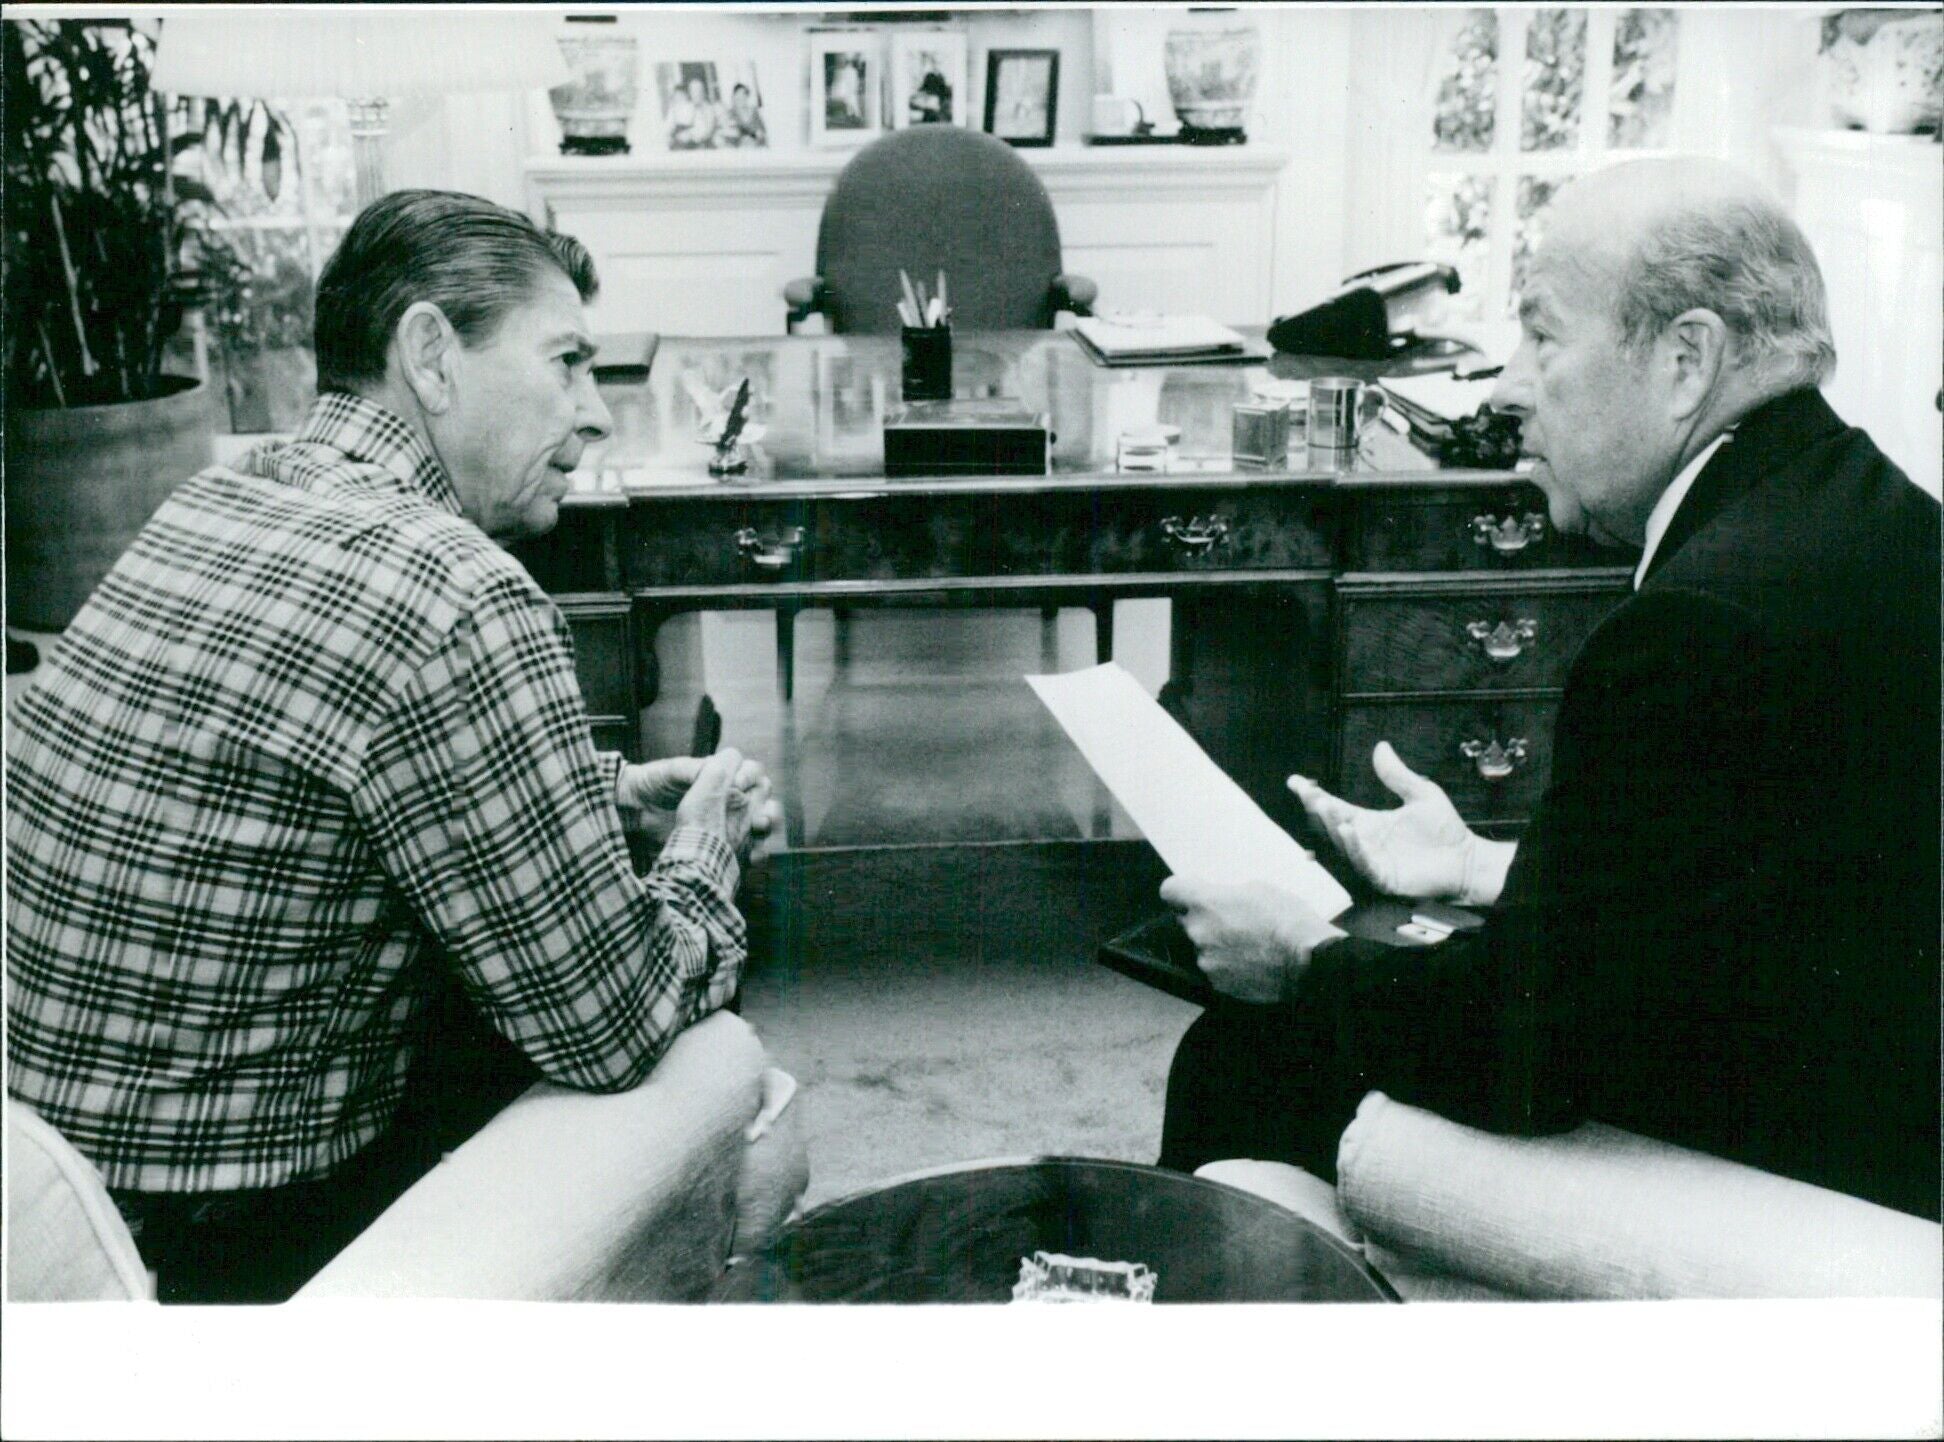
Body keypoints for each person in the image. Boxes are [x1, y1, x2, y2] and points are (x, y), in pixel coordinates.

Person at [5, 190, 791, 1300]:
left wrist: (599, 791)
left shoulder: (213, 503)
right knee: (722, 1068)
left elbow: (289, 771)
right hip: (247, 1243)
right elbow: (611, 1020)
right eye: (566, 360)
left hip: (61, 1197)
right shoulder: (456, 589)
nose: (594, 410)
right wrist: (705, 844)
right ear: (430, 355)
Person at [1157, 157, 1940, 1221]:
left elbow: (1517, 1053)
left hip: (1790, 1163)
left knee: (1244, 1048)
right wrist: (1486, 866)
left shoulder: (1696, 622)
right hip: (1875, 1103)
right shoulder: (1875, 515)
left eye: (1542, 335)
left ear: (1685, 360)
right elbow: (1729, 894)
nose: (1509, 385)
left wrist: (1301, 959)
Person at [724, 81, 767, 149]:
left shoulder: (754, 111)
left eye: (744, 95)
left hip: (757, 147)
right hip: (740, 149)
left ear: (747, 96)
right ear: (734, 97)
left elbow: (762, 130)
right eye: (738, 96)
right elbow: (730, 135)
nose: (741, 98)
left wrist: (758, 135)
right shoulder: (730, 114)